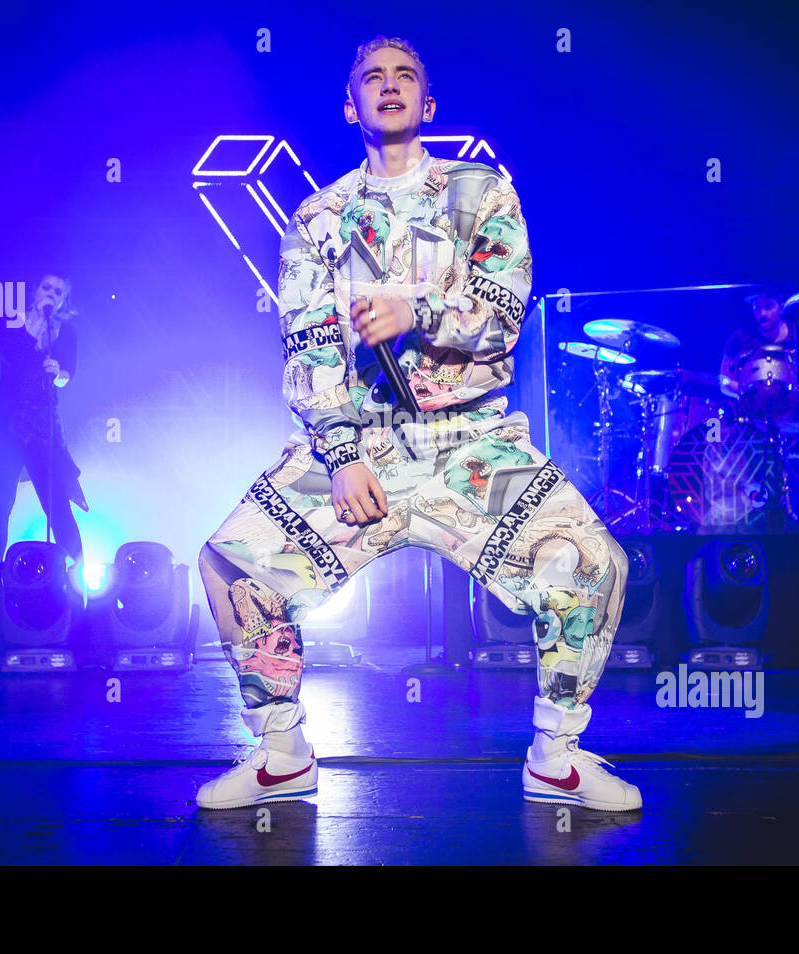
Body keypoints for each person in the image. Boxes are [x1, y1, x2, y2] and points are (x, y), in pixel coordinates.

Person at [196, 36, 639, 812]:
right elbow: (309, 350)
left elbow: (503, 317)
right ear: (350, 106)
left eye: (406, 76)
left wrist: (416, 309)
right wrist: (339, 456)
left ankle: (556, 756)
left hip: (471, 443)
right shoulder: (317, 219)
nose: (390, 86)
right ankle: (281, 754)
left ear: (428, 105)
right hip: (363, 447)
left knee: (595, 562)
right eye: (373, 77)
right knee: (234, 565)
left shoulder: (481, 193)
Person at [0, 273, 86, 602]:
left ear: (63, 300)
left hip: (41, 426)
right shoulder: (11, 321)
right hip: (5, 425)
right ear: (36, 291)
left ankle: (78, 586)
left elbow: (68, 375)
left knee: (58, 507)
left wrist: (58, 373)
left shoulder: (66, 332)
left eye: (58, 291)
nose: (51, 294)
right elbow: (10, 355)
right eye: (46, 287)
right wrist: (36, 343)